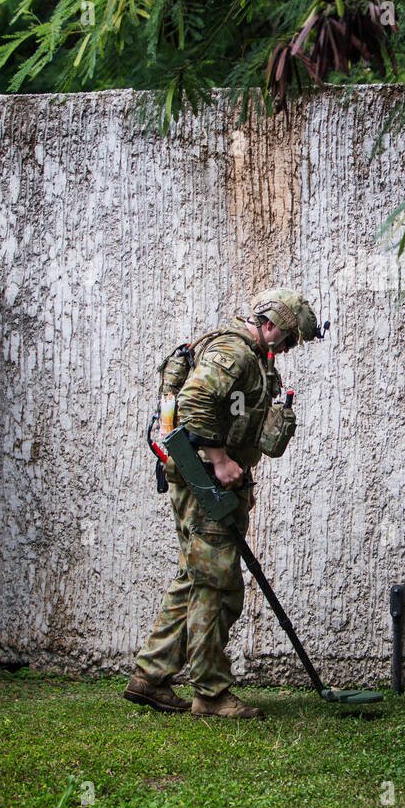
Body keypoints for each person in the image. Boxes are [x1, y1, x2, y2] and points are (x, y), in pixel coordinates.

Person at [124, 288, 319, 720]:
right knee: (218, 585)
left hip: (199, 482)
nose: (288, 349)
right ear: (269, 325)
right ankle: (210, 693)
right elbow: (194, 402)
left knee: (195, 576)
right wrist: (220, 459)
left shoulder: (245, 353)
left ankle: (150, 678)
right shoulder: (236, 352)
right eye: (287, 339)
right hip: (205, 483)